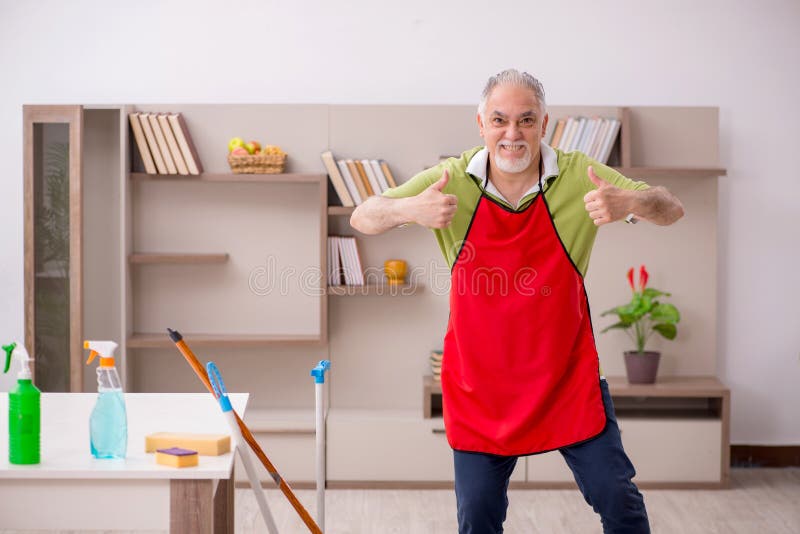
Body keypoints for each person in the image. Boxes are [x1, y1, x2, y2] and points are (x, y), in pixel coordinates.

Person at [351, 69, 684, 534]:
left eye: (526, 120)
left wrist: (630, 204)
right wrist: (409, 210)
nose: (512, 134)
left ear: (543, 124)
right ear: (481, 124)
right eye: (500, 120)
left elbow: (670, 207)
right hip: (479, 388)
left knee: (618, 500)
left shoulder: (578, 175)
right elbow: (363, 216)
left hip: (566, 380)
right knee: (478, 519)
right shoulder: (450, 178)